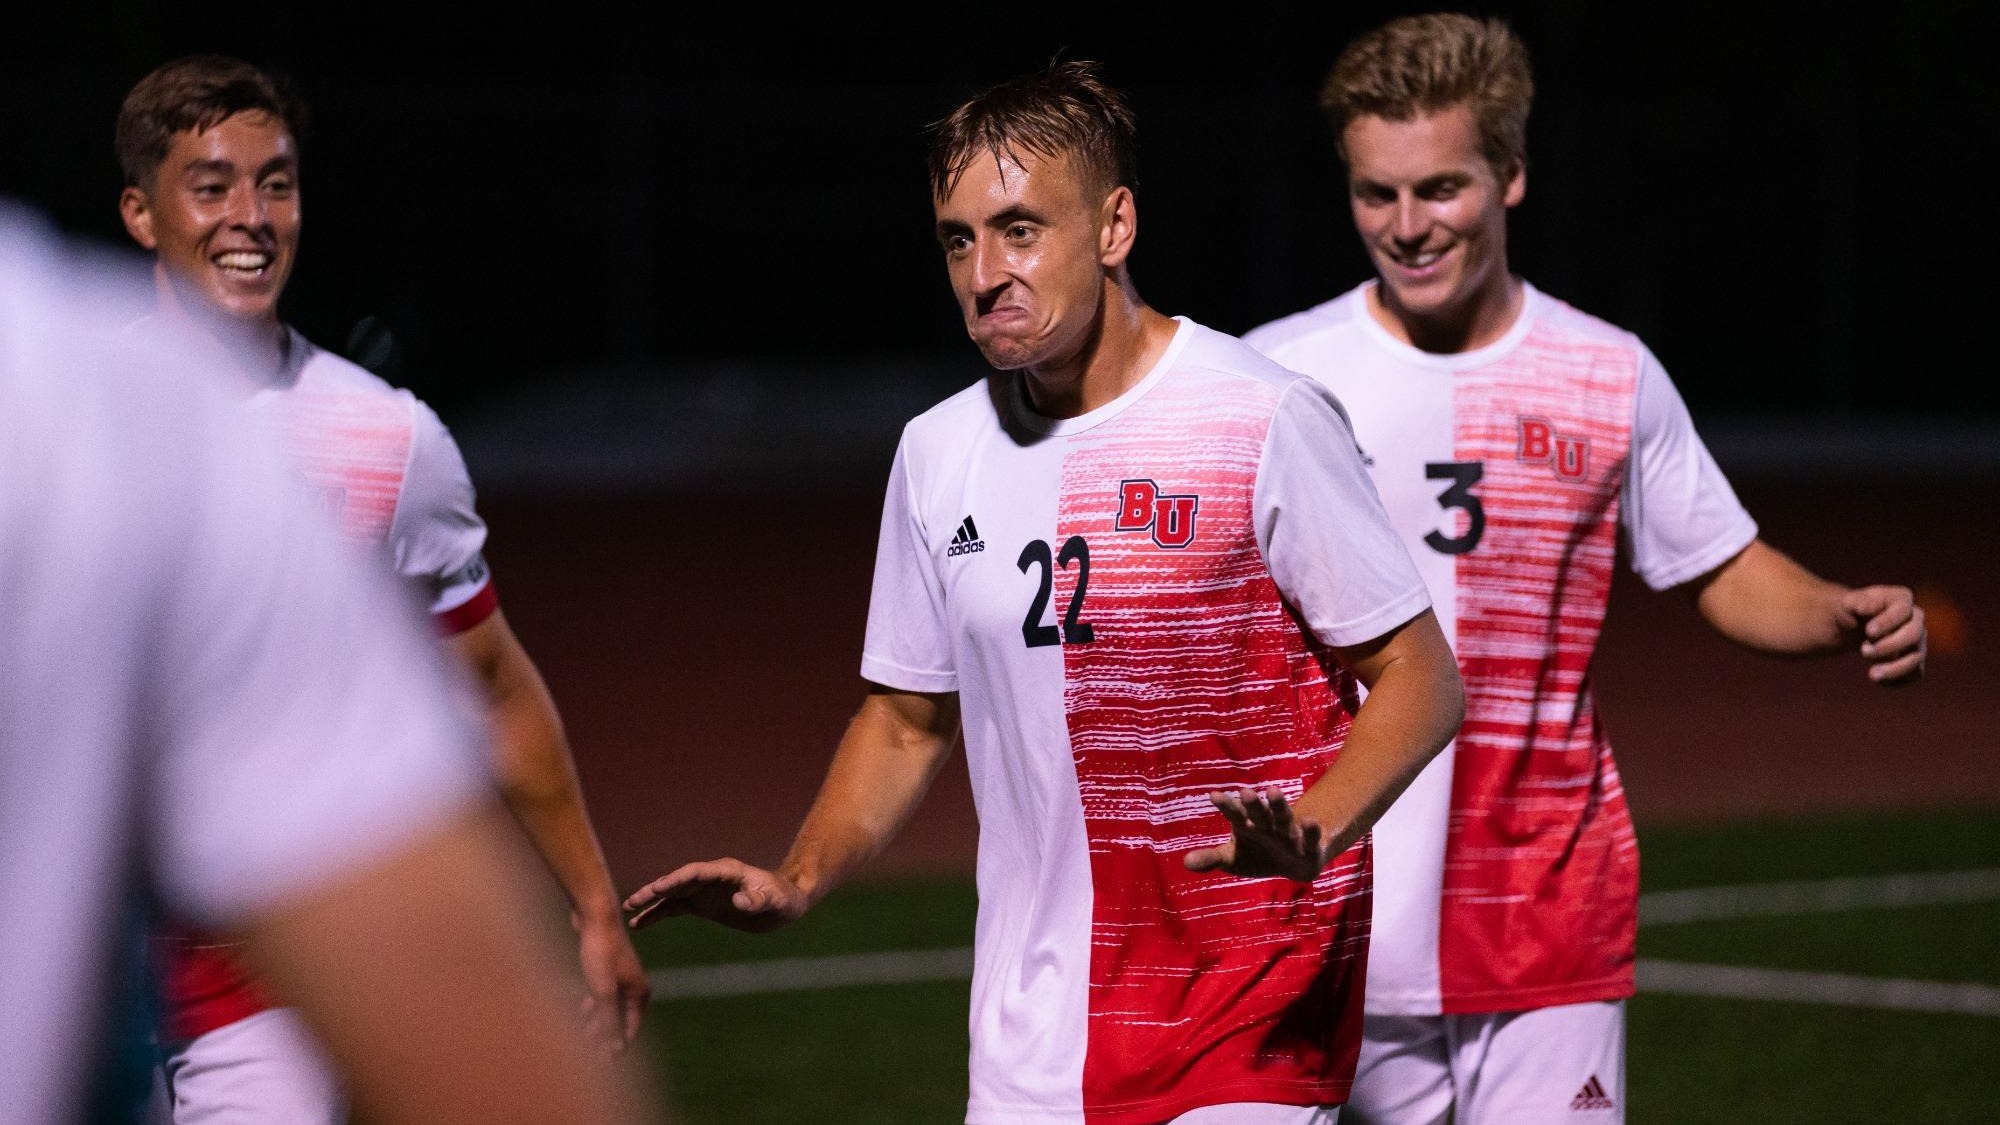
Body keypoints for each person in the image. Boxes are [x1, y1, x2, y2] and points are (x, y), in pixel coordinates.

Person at [625, 59, 1467, 1125]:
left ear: (1113, 227)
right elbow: (901, 720)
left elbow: (1420, 678)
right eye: (957, 239)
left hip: (1242, 1010)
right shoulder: (936, 454)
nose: (985, 273)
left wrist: (1315, 825)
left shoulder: (1259, 418)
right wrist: (798, 878)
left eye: (1019, 229)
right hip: (1029, 1043)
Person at [1240, 13, 1929, 1124]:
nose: (1407, 227)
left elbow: (1716, 562)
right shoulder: (1274, 377)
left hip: (1543, 910)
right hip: (1334, 913)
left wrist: (1832, 612)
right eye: (1377, 194)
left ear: (1510, 176)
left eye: (1441, 189)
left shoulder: (1606, 372)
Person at [0, 200, 667, 1125]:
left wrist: (594, 902)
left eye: (274, 182)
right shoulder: (104, 393)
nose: (249, 216)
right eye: (211, 183)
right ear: (140, 211)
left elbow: (487, 683)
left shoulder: (189, 422)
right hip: (99, 989)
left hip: (249, 995)